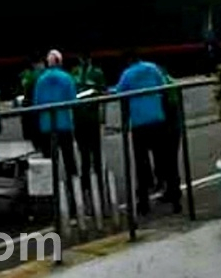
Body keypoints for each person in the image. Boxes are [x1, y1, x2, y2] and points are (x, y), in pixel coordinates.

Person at [113, 49, 180, 215]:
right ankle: (175, 199)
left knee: (141, 164)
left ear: (127, 60)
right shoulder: (152, 68)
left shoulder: (127, 74)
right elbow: (163, 87)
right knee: (164, 160)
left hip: (140, 124)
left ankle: (143, 204)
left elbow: (120, 92)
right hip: (158, 120)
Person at [33, 50, 80, 216]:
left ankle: (51, 200)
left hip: (47, 127)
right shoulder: (67, 78)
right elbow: (73, 101)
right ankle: (75, 200)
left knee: (50, 164)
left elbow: (36, 103)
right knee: (70, 163)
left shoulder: (41, 80)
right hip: (64, 125)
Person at [71, 52, 107, 193]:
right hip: (78, 117)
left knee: (96, 151)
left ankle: (99, 179)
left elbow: (103, 91)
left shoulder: (97, 73)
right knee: (83, 152)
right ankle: (85, 180)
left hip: (92, 116)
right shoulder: (74, 72)